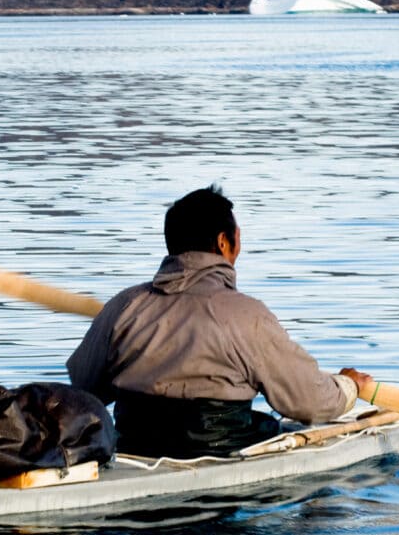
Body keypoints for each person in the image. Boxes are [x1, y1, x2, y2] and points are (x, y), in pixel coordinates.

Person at [67, 184, 375, 458]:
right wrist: (348, 386)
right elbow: (308, 402)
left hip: (133, 449)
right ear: (223, 243)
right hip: (222, 450)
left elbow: (84, 386)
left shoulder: (124, 305)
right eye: (238, 236)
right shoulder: (247, 315)